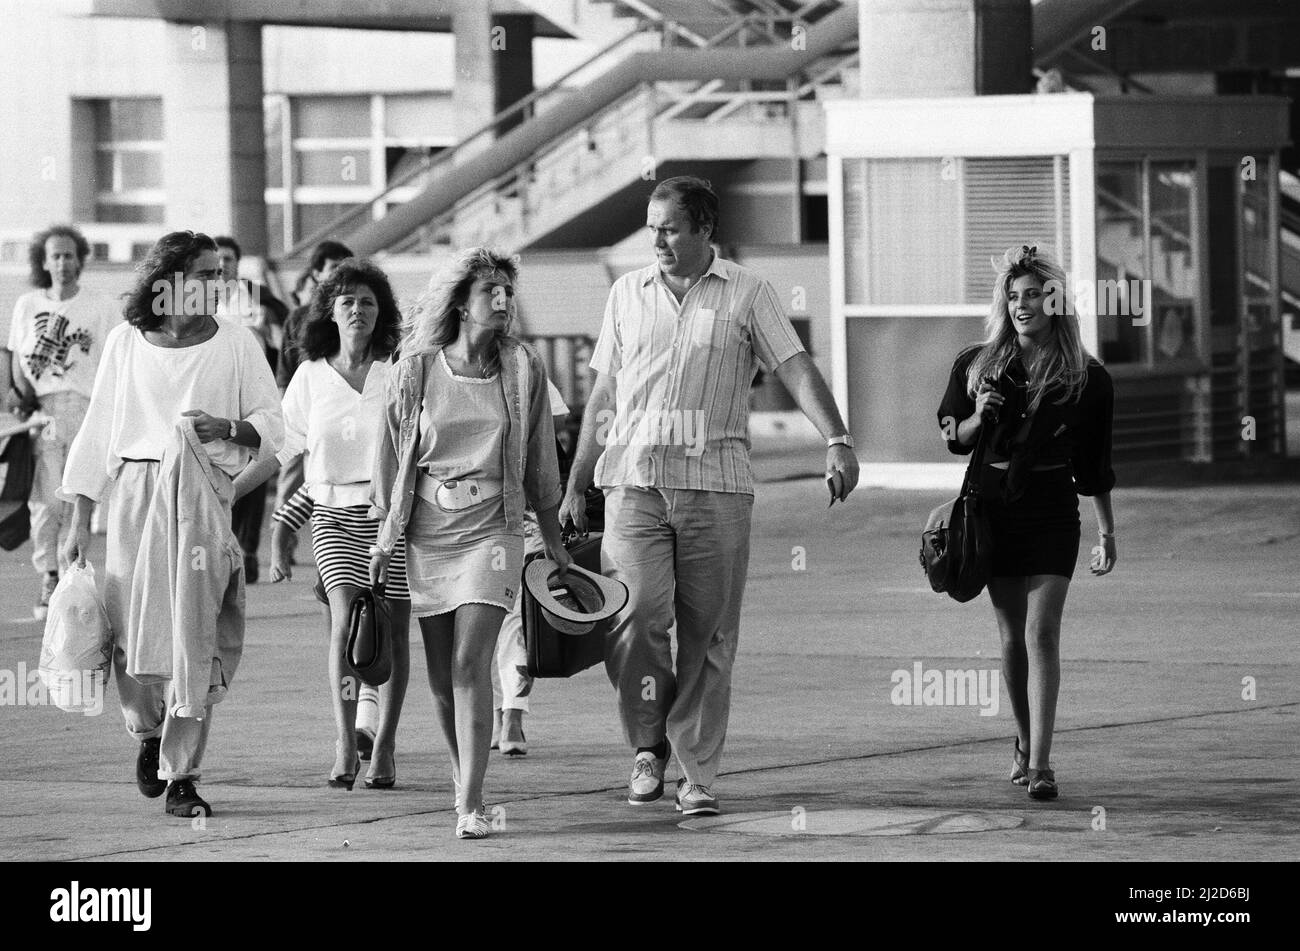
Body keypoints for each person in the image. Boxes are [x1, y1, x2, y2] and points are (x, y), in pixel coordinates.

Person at [559, 176, 860, 817]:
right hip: (633, 483)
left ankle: (696, 770)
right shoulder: (625, 295)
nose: (657, 239)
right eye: (652, 227)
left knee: (710, 634)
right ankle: (647, 748)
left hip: (716, 487)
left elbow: (794, 365)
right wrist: (578, 477)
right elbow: (604, 395)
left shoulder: (749, 294)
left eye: (669, 228)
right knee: (635, 618)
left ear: (703, 231)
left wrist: (836, 437)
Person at [61, 230, 284, 818]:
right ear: (170, 281)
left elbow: (274, 422)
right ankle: (147, 732)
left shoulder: (237, 342)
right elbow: (98, 429)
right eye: (205, 274)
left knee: (195, 632)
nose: (218, 284)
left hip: (202, 494)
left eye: (221, 275)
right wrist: (78, 518)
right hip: (134, 494)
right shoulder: (125, 343)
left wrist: (228, 429)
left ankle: (183, 775)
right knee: (128, 630)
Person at [369, 248, 571, 840]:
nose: (503, 301)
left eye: (509, 290)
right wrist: (385, 538)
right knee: (438, 677)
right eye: (491, 290)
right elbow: (389, 459)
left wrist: (554, 543)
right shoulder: (415, 370)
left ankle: (473, 801)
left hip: (495, 528)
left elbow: (540, 461)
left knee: (468, 661)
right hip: (428, 531)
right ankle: (465, 783)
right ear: (462, 301)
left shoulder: (522, 367)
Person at [937, 244, 1117, 802]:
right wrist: (976, 415)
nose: (1022, 305)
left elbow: (1093, 465)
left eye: (1034, 295)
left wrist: (1107, 532)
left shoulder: (1087, 377)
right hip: (994, 509)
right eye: (1013, 297)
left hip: (1052, 510)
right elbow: (950, 436)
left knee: (1042, 631)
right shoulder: (978, 363)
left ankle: (1041, 763)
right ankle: (1022, 739)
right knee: (1012, 635)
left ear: (1057, 301)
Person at [233, 258, 410, 791]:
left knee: (394, 636)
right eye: (348, 301)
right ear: (330, 311)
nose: (358, 310)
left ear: (382, 314)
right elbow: (281, 450)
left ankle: (384, 746)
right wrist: (230, 494)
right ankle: (343, 743)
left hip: (390, 521)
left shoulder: (399, 372)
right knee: (345, 627)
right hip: (331, 516)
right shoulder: (310, 376)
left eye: (368, 302)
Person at [7, 225, 119, 619]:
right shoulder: (28, 305)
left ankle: (74, 576)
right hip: (45, 411)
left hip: (87, 408)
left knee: (80, 494)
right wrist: (20, 394)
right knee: (47, 498)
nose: (62, 263)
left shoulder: (100, 305)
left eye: (69, 255)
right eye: (55, 255)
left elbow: (112, 362)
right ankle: (49, 575)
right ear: (43, 261)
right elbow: (17, 357)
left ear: (80, 259)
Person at [274, 240, 353, 568]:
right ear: (317, 272)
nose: (340, 275)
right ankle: (284, 539)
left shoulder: (353, 312)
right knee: (291, 478)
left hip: (340, 417)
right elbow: (286, 368)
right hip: (302, 411)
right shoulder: (299, 317)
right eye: (334, 268)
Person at [215, 234, 288, 584]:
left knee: (256, 463)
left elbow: (282, 330)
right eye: (217, 258)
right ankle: (224, 543)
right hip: (218, 393)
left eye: (229, 258)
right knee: (222, 467)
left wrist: (264, 323)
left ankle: (247, 547)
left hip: (254, 390)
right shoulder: (200, 297)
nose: (223, 264)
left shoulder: (254, 293)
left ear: (237, 262)